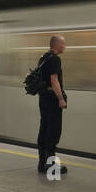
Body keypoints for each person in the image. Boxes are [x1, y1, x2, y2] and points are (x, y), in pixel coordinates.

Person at [36, 34, 68, 175]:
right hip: (52, 99)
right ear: (57, 45)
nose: (64, 46)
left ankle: (42, 163)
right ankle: (51, 165)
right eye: (63, 44)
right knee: (54, 131)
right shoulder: (55, 59)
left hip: (43, 98)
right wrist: (60, 98)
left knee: (44, 128)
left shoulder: (43, 58)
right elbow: (54, 79)